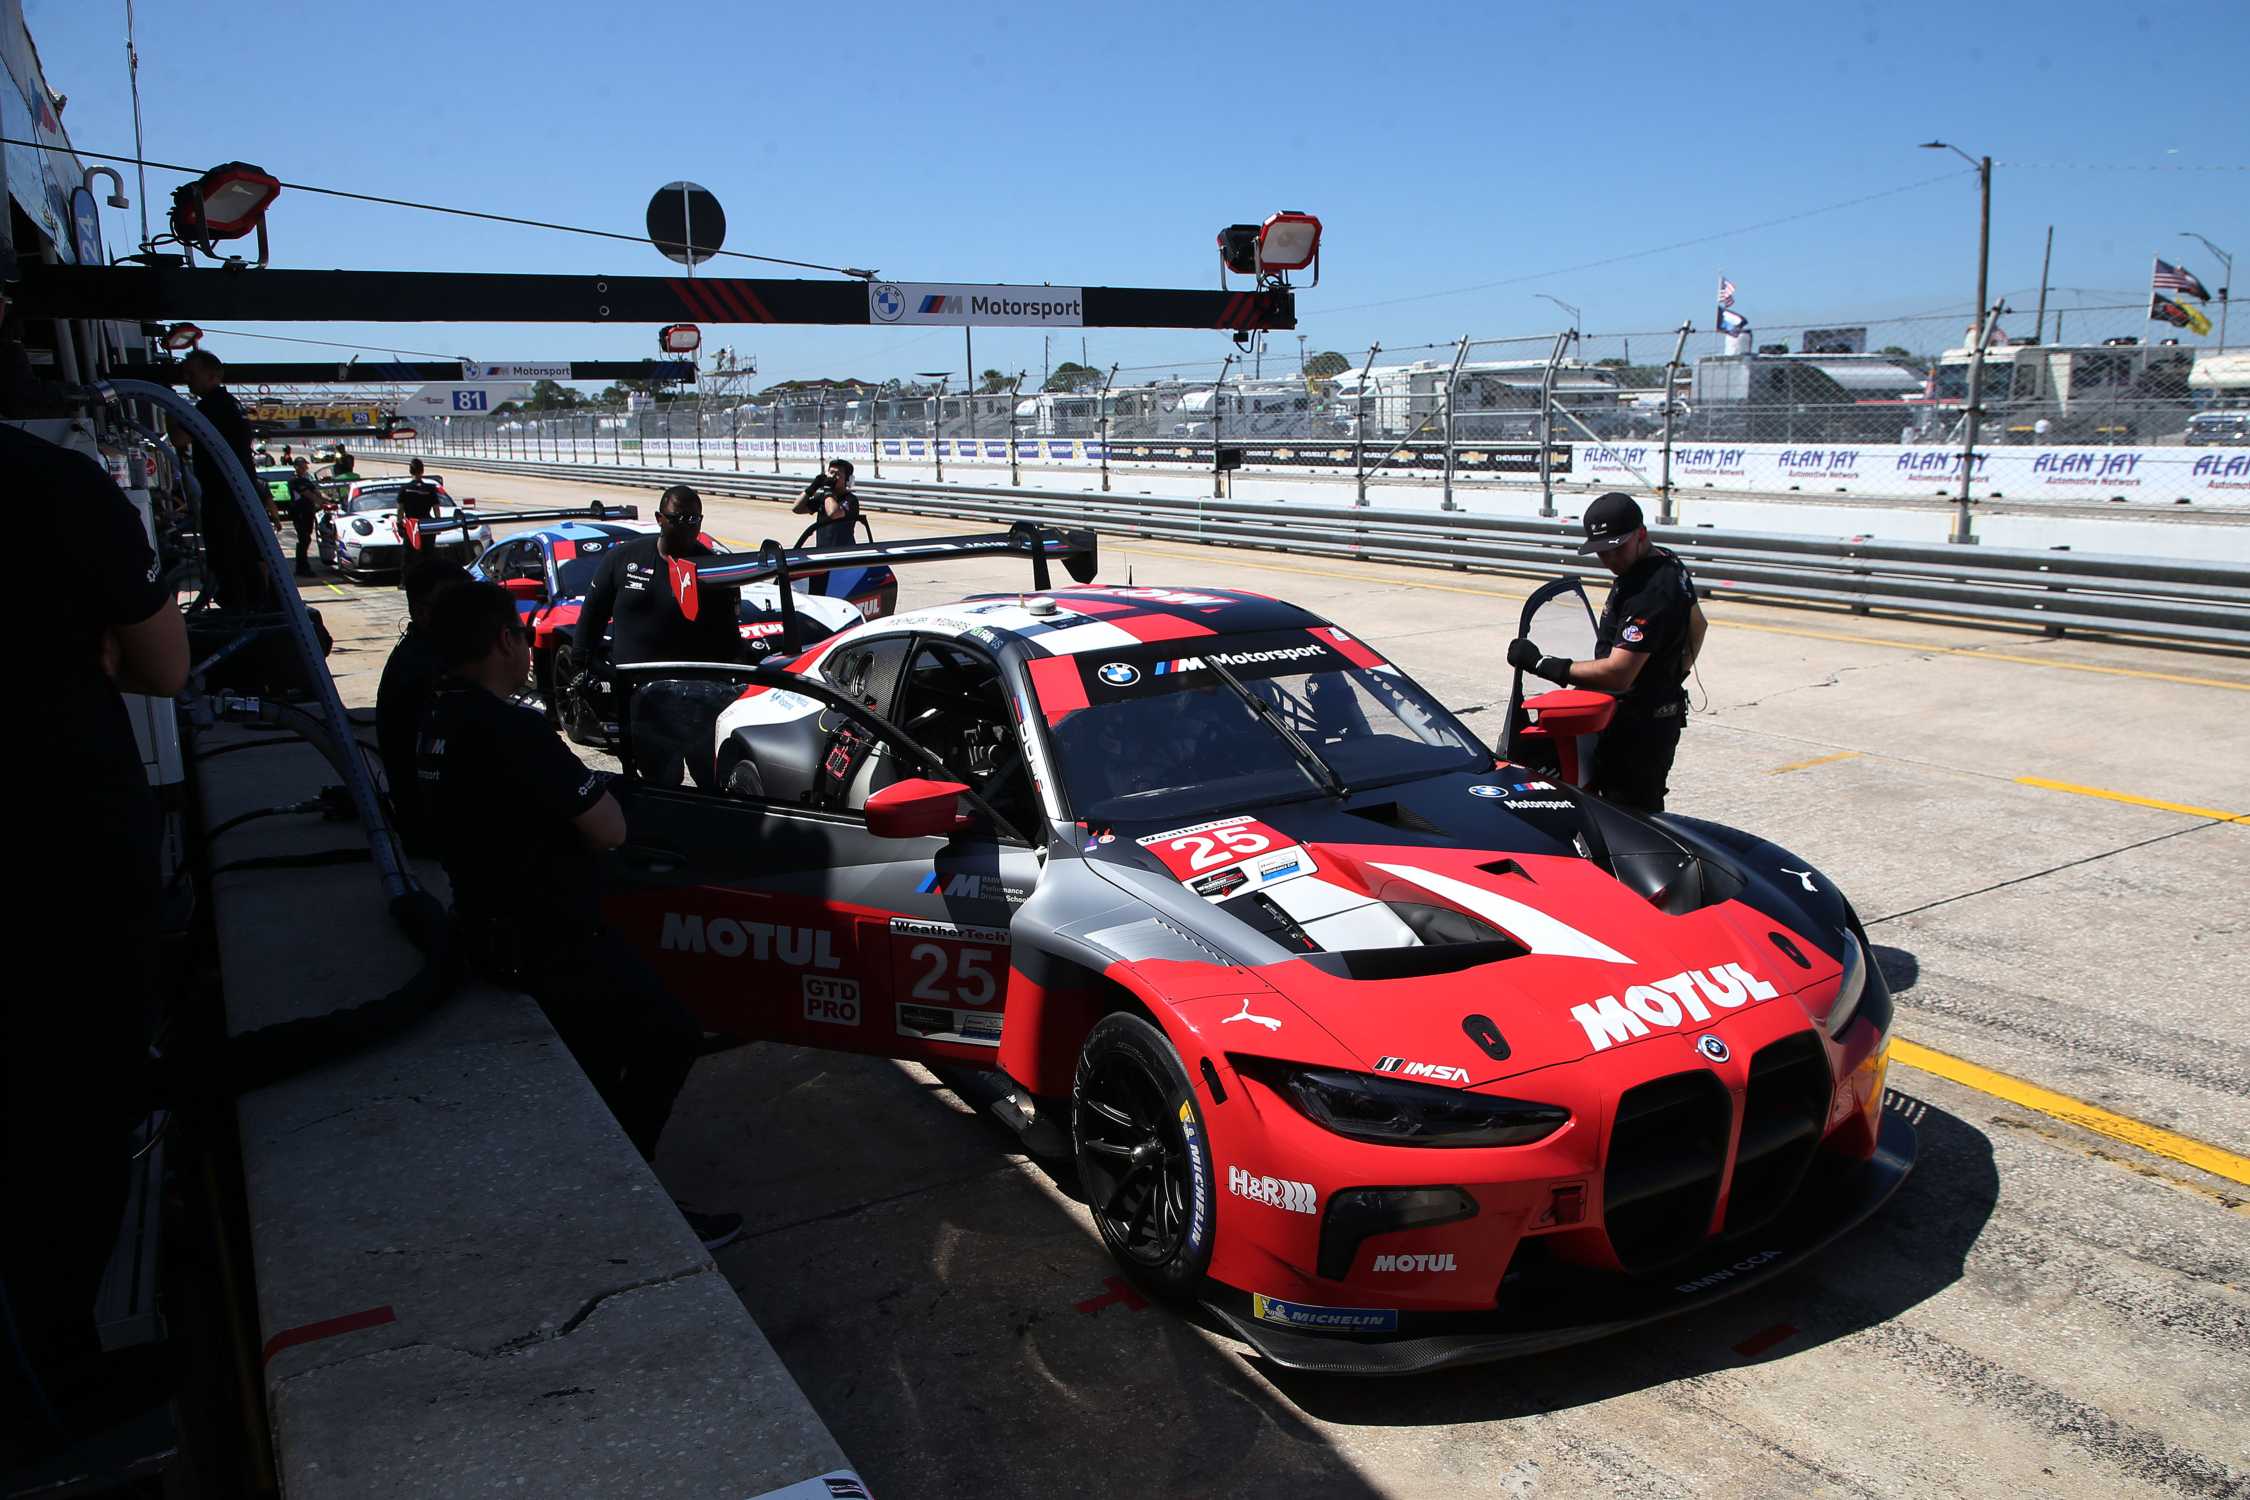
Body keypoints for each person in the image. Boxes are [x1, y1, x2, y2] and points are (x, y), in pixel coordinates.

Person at [415, 582, 738, 1249]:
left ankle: (610, 1185)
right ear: (506, 641)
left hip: (490, 926)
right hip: (554, 939)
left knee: (601, 1063)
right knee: (670, 1033)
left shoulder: (436, 720)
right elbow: (610, 828)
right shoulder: (513, 728)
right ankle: (630, 1194)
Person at [2, 422, 188, 1452]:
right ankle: (53, 1384)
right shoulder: (51, 483)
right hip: (54, 856)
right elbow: (164, 665)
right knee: (72, 1116)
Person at [1506, 492, 1706, 814]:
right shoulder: (1667, 564)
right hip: (1652, 716)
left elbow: (1619, 672)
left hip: (1638, 728)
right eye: (1602, 552)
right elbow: (1699, 625)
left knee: (1629, 818)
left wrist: (1543, 664)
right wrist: (1669, 676)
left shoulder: (1649, 590)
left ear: (1641, 534)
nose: (1609, 560)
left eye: (1617, 549)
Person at [574, 485, 741, 783]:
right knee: (661, 780)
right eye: (678, 518)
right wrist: (583, 662)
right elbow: (591, 616)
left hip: (701, 699)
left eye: (694, 519)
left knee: (711, 779)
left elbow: (730, 638)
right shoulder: (623, 559)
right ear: (659, 519)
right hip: (643, 699)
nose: (687, 527)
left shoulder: (714, 567)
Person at [376, 558, 469, 852]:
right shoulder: (428, 670)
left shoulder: (427, 656)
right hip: (438, 833)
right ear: (421, 611)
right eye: (458, 605)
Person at [182, 348, 274, 610]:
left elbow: (178, 438)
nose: (187, 379)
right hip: (239, 495)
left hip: (223, 497)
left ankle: (240, 612)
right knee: (247, 557)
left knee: (228, 560)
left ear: (212, 375)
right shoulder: (231, 404)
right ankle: (254, 606)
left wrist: (171, 409)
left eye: (192, 373)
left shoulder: (210, 406)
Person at [392, 457, 442, 584]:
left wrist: (399, 524)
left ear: (410, 471)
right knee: (428, 554)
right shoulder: (430, 489)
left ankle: (405, 581)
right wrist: (438, 524)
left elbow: (400, 510)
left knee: (409, 555)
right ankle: (430, 580)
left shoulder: (405, 489)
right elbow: (436, 509)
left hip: (411, 524)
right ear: (422, 471)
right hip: (427, 524)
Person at [793, 458, 862, 548]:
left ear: (847, 479)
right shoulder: (823, 497)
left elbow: (833, 513)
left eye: (837, 474)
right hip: (822, 552)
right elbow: (797, 508)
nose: (832, 477)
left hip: (844, 553)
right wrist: (812, 487)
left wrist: (828, 490)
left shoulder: (851, 500)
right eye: (831, 473)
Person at [285, 455, 325, 577]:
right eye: (303, 465)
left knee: (306, 538)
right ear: (297, 467)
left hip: (308, 512)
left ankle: (302, 565)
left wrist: (331, 500)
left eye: (306, 465)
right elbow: (308, 494)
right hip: (299, 513)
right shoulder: (294, 480)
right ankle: (302, 566)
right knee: (304, 539)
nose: (305, 467)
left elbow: (317, 492)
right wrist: (322, 503)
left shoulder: (306, 479)